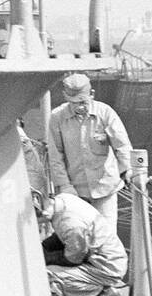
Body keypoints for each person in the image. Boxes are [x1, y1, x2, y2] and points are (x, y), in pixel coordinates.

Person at [47, 73, 133, 230]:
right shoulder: (57, 118)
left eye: (83, 102)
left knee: (106, 234)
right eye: (74, 103)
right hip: (75, 191)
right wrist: (65, 186)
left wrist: (127, 169)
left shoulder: (105, 113)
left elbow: (122, 146)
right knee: (79, 236)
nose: (80, 107)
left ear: (91, 95)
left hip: (105, 189)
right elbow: (55, 156)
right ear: (65, 97)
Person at [34, 189, 127, 296]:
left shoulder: (71, 224)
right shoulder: (63, 199)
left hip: (106, 268)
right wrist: (43, 248)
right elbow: (61, 237)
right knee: (45, 265)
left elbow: (73, 258)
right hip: (98, 257)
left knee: (47, 275)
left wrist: (44, 258)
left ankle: (98, 294)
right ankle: (93, 287)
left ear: (45, 214)